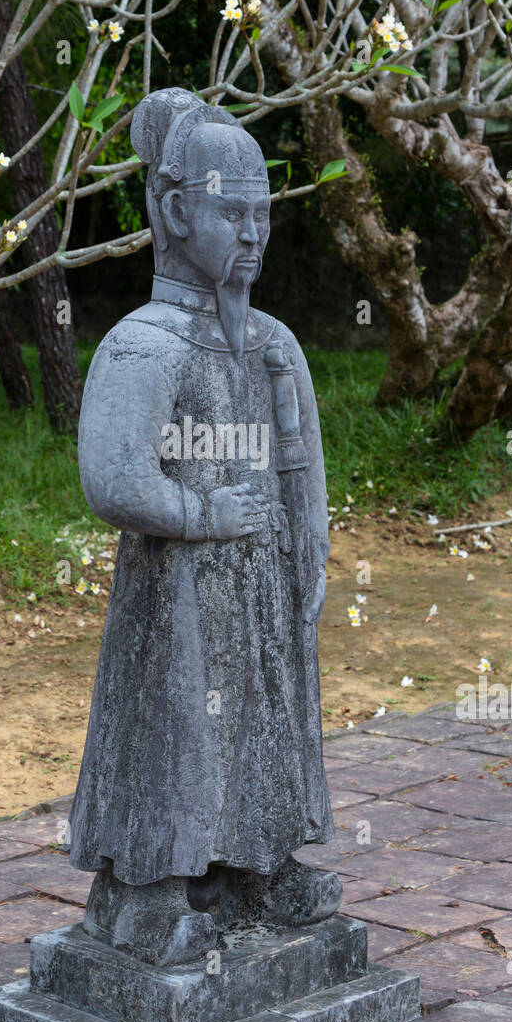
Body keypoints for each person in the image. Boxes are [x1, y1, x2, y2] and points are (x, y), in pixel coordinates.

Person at [65, 87, 340, 965]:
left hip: (262, 589)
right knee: (175, 723)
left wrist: (313, 546)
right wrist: (202, 515)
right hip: (177, 593)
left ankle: (261, 863)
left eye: (262, 216)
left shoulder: (272, 345)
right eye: (233, 213)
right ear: (179, 212)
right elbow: (112, 480)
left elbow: (301, 463)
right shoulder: (145, 346)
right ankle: (149, 888)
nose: (253, 235)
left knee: (267, 718)